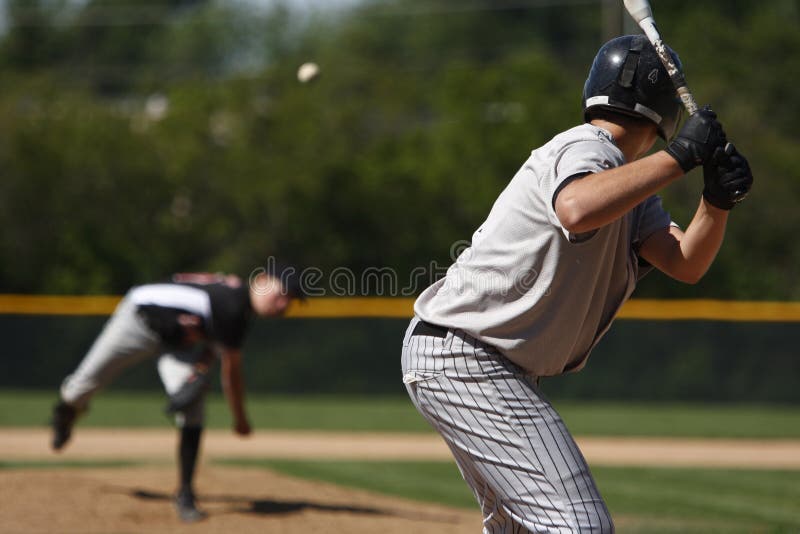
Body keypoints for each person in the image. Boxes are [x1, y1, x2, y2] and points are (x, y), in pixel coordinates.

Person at [401, 34, 753, 533]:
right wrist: (681, 156)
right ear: (664, 112)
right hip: (469, 359)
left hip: (470, 359)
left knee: (521, 528)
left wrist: (715, 204)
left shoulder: (624, 179)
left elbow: (685, 262)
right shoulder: (587, 147)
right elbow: (577, 208)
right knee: (580, 526)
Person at [50, 261, 304, 522]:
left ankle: (185, 493)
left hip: (178, 342)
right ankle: (66, 413)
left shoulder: (238, 305)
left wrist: (199, 370)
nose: (284, 304)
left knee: (193, 406)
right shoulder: (233, 304)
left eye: (290, 300)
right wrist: (240, 419)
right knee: (80, 387)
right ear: (261, 281)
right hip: (139, 320)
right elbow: (232, 374)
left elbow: (211, 342)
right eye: (282, 293)